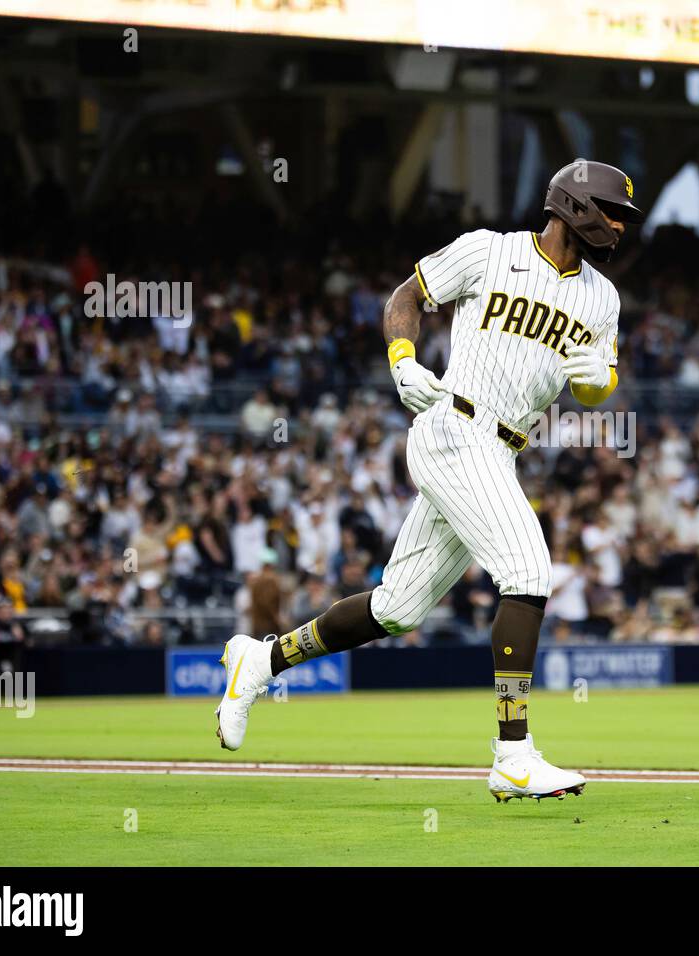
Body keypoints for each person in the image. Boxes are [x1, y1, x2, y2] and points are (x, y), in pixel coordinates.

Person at [214, 159, 644, 801]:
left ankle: (263, 659)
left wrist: (596, 380)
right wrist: (402, 360)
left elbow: (598, 384)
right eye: (612, 210)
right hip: (454, 425)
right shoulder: (490, 251)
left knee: (397, 608)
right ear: (575, 205)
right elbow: (406, 297)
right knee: (528, 571)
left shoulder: (602, 298)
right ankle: (513, 753)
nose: (618, 224)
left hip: (501, 451)